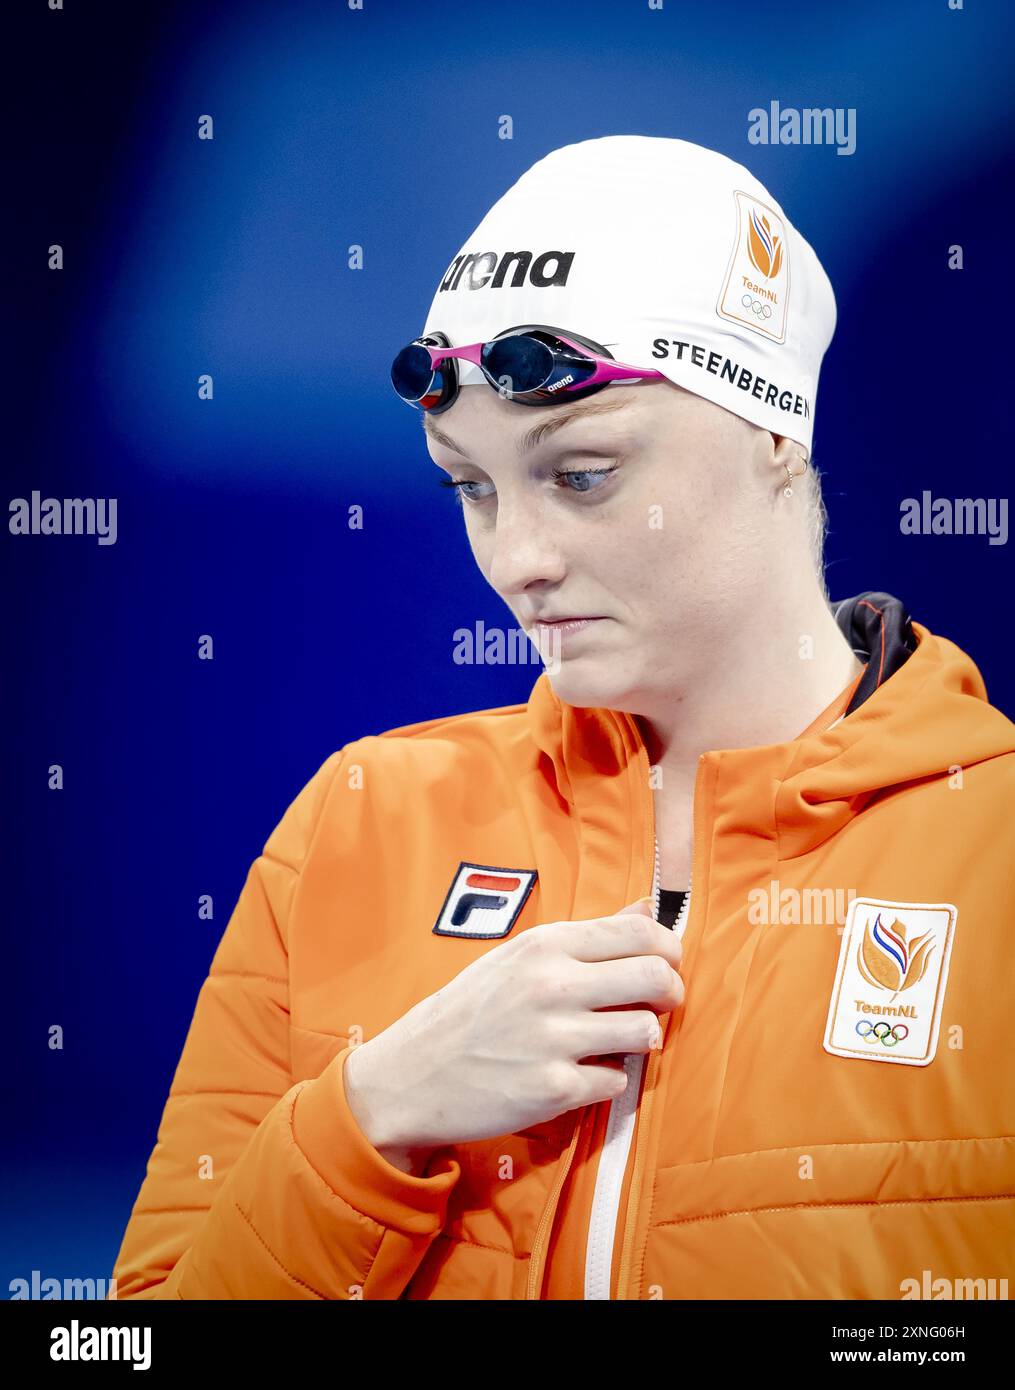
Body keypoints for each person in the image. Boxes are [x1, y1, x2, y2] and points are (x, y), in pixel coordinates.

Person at [109, 136, 1015, 1300]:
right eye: (469, 486)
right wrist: (372, 1116)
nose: (517, 560)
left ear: (774, 432)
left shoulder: (989, 848)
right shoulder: (357, 821)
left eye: (580, 473)